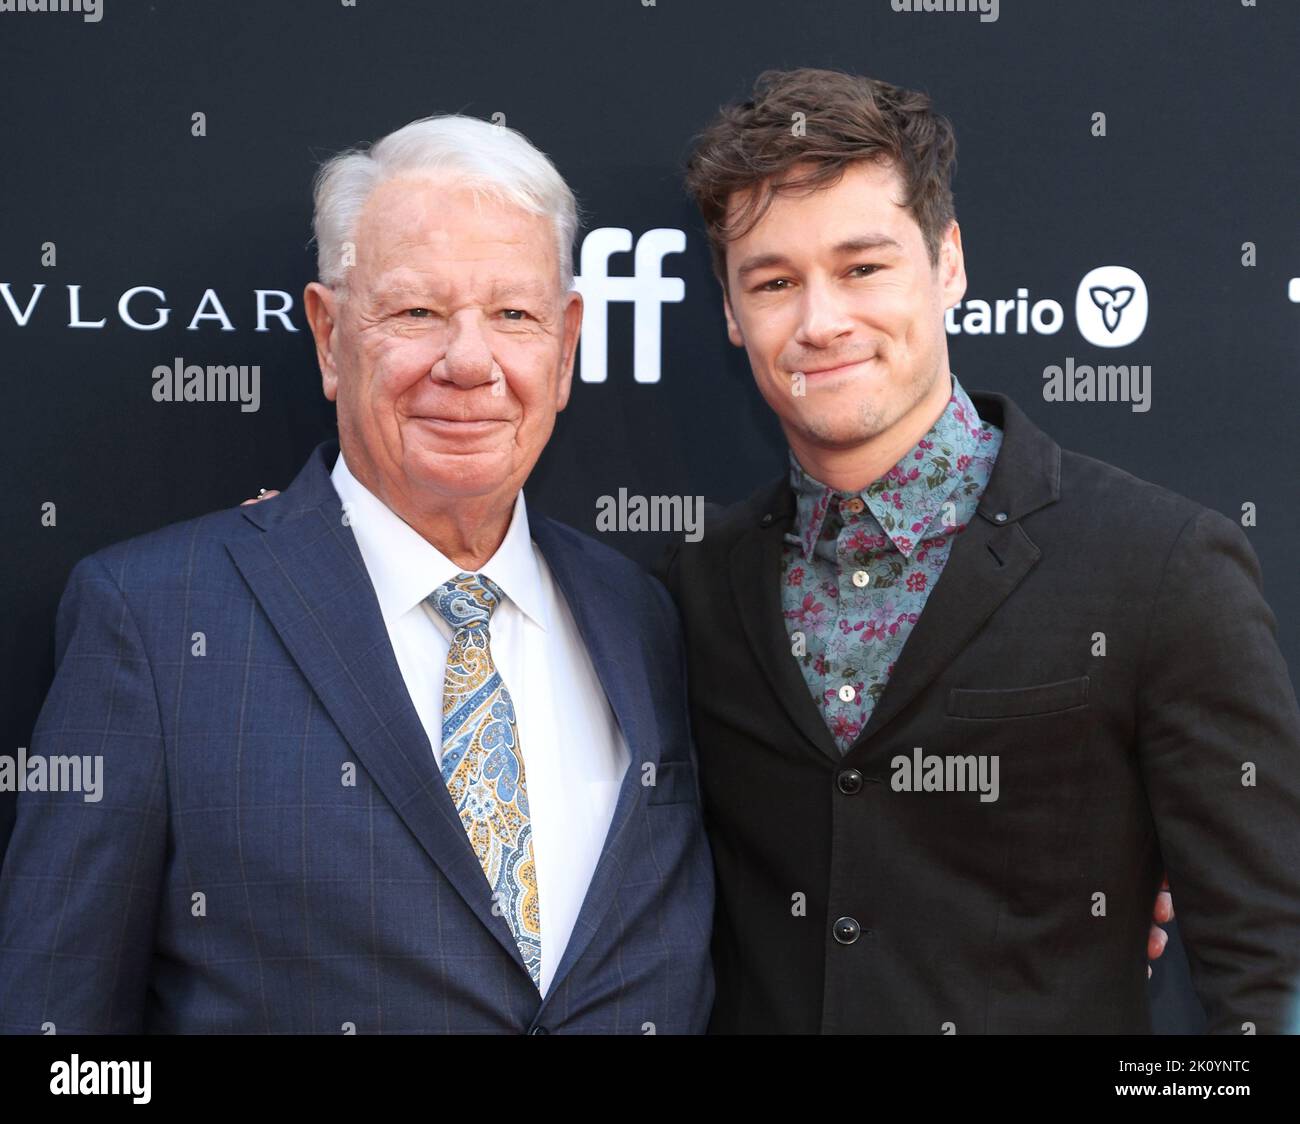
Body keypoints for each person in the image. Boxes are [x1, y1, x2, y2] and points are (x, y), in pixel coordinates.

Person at [0, 115, 714, 1034]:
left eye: (514, 314)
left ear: (567, 343)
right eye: (417, 311)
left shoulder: (642, 615)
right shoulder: (152, 619)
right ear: (330, 334)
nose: (469, 362)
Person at [656, 67, 1300, 1033]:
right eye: (775, 282)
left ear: (948, 264)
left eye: (863, 267)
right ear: (731, 312)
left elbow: (1268, 966)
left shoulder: (1158, 567)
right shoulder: (695, 587)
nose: (821, 320)